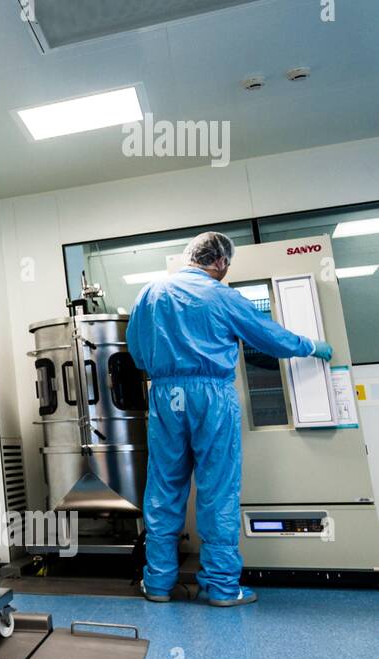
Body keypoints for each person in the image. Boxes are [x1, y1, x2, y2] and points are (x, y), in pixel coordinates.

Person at [126, 231, 333, 607]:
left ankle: (157, 583)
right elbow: (269, 338)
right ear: (220, 261)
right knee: (217, 488)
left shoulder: (150, 294)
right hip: (212, 397)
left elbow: (137, 352)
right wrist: (312, 347)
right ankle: (221, 587)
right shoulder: (222, 296)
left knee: (163, 487)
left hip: (164, 395)